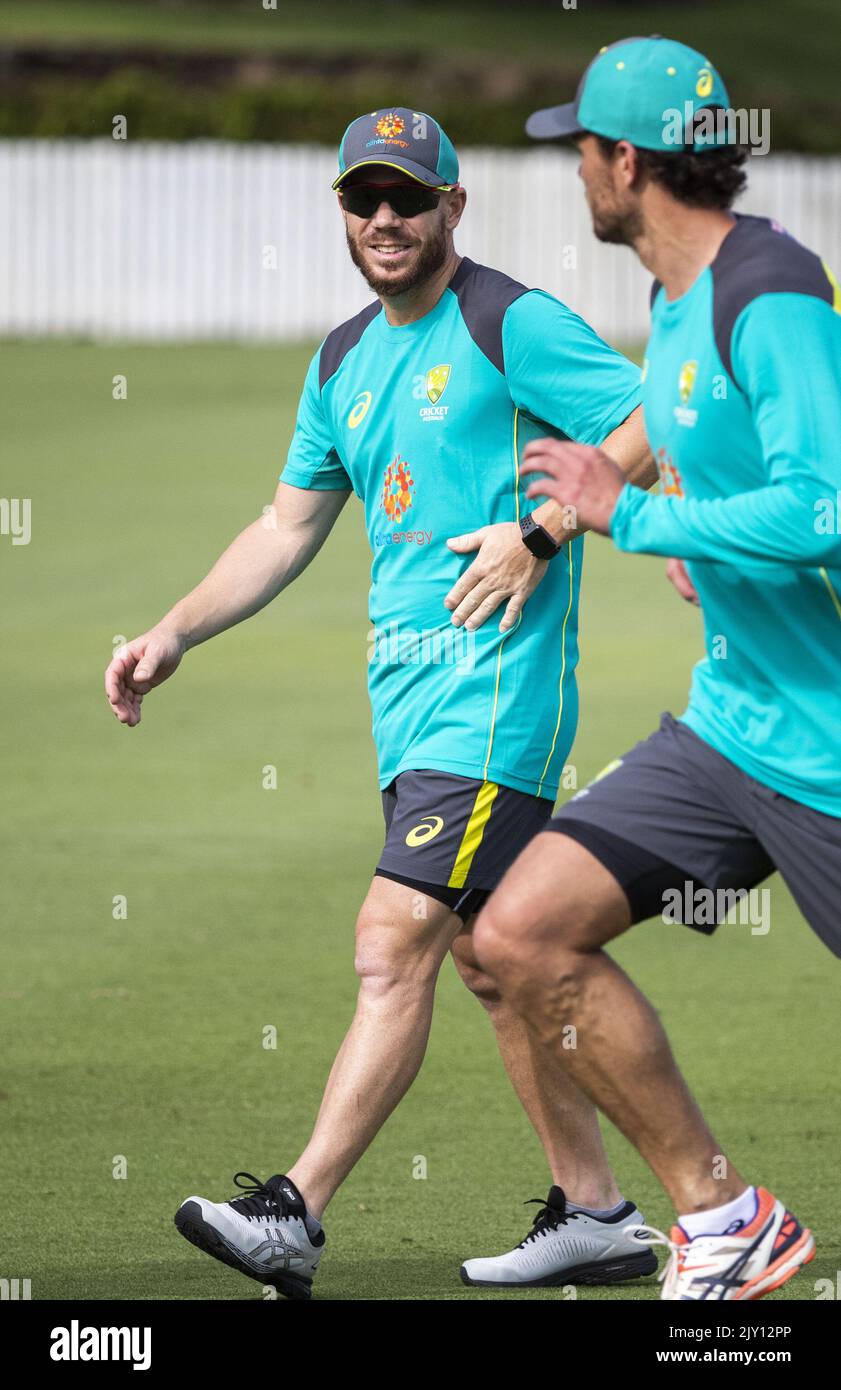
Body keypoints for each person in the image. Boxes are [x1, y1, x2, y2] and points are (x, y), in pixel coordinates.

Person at [105, 106, 656, 1299]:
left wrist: (543, 529)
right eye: (365, 199)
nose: (386, 219)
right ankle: (598, 1209)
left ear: (454, 207)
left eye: (408, 197)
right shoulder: (341, 358)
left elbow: (648, 419)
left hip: (495, 700)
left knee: (391, 939)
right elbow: (284, 524)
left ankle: (293, 1213)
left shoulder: (510, 321)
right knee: (495, 959)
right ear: (344, 214)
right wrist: (173, 630)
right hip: (405, 711)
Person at [472, 36, 841, 1300]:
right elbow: (703, 451)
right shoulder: (683, 299)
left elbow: (828, 507)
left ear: (626, 162)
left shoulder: (769, 290)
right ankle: (725, 1216)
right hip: (733, 730)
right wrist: (660, 530)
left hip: (832, 752)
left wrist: (637, 522)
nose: (576, 167)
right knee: (518, 933)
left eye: (582, 147)